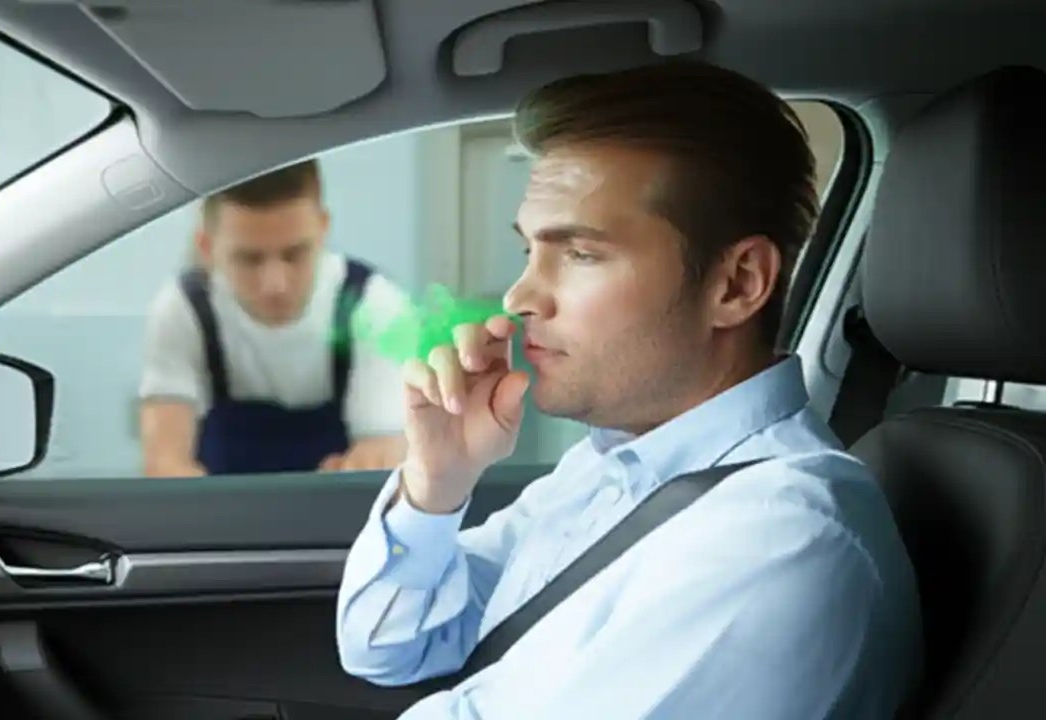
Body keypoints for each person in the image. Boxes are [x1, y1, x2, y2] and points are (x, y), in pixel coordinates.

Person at [335, 61, 922, 719]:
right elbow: (391, 649)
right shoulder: (614, 462)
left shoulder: (781, 538)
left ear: (738, 283)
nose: (519, 296)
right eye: (529, 251)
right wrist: (437, 482)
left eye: (581, 253)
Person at [138, 159, 410, 476]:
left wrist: (364, 466)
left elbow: (386, 459)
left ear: (323, 228)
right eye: (249, 259)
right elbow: (164, 463)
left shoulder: (374, 305)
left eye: (295, 254)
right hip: (224, 519)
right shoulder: (183, 309)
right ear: (207, 247)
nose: (275, 285)